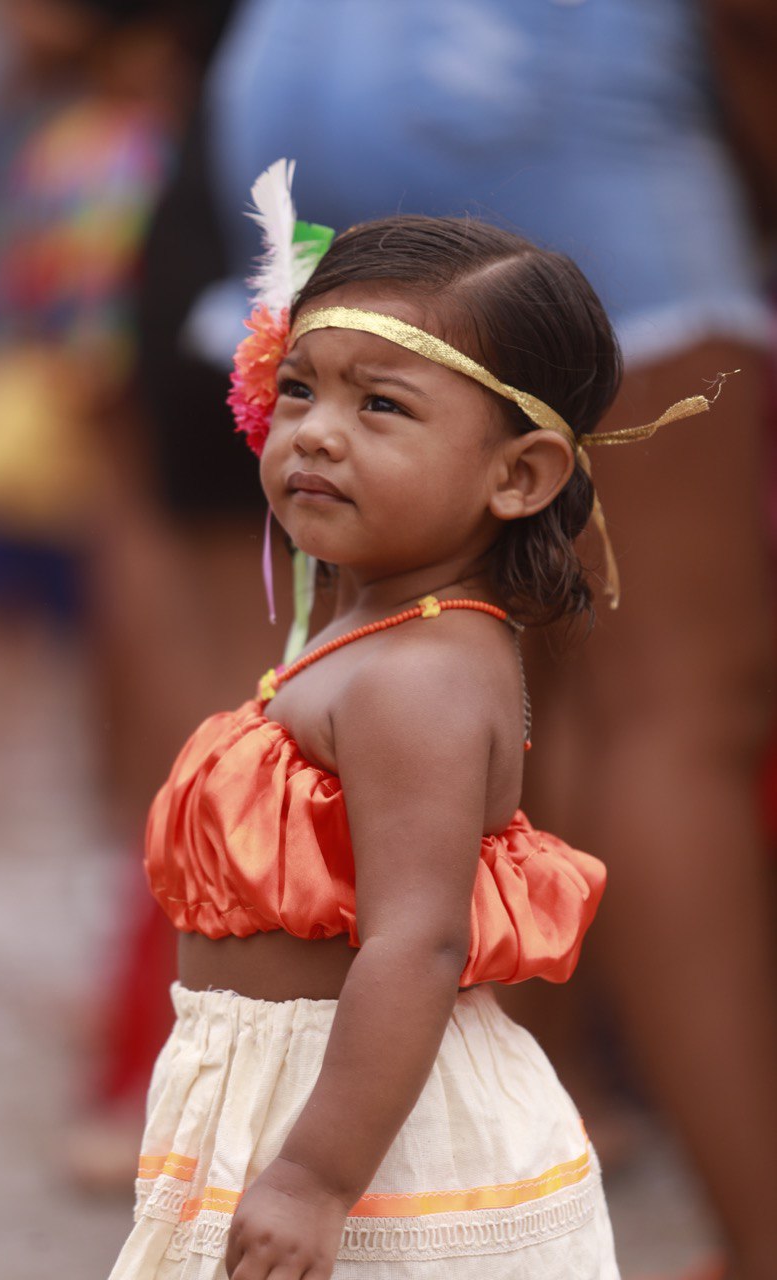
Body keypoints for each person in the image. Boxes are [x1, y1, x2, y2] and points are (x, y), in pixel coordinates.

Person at [203, 8, 777, 1276]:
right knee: (674, 707)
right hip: (542, 71)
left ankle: (520, 1130)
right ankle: (757, 1230)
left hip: (293, 65)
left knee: (469, 659)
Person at [99, 180, 733, 1275]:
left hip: (368, 1143)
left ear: (518, 474)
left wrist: (311, 1177)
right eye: (297, 390)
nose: (317, 436)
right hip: (289, 1099)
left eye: (380, 406)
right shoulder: (374, 636)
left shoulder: (421, 677)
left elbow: (417, 939)